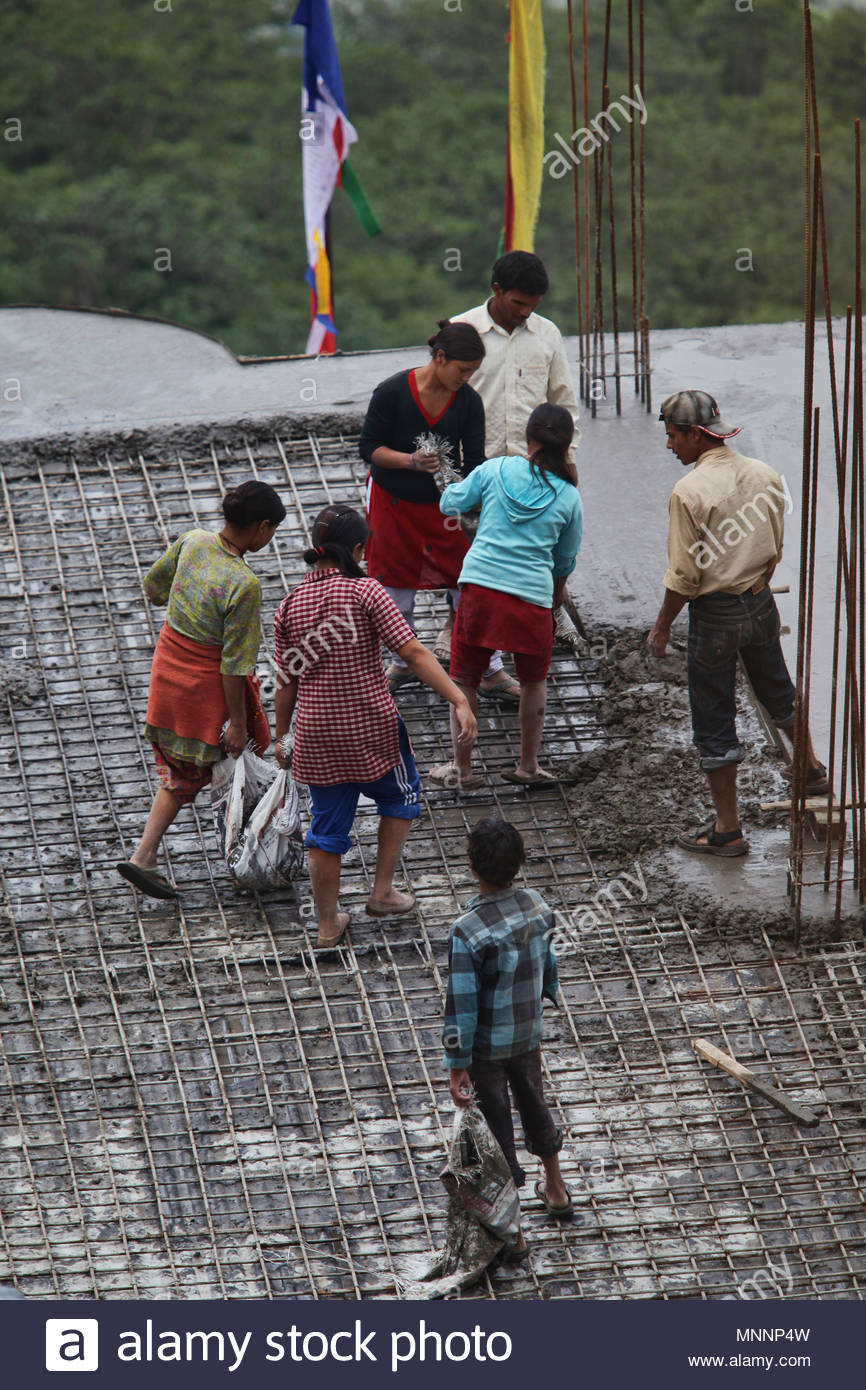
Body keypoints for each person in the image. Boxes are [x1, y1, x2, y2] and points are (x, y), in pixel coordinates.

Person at [272, 504, 477, 948]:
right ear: (360, 550)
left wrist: (280, 735)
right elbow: (415, 654)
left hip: (316, 734)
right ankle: (382, 891)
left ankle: (328, 924)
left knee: (325, 830)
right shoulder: (368, 593)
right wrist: (459, 698)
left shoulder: (288, 606)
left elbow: (285, 683)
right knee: (401, 794)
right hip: (372, 726)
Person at [647, 390, 828, 855]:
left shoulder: (689, 491)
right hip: (759, 600)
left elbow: (685, 576)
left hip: (716, 614)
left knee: (713, 716)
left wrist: (663, 626)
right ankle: (809, 770)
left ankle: (727, 828)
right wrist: (757, 584)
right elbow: (776, 545)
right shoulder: (764, 474)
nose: (670, 447)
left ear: (694, 435)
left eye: (672, 437)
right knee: (778, 689)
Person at [116, 479, 286, 899]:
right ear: (261, 527)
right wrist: (239, 723)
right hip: (202, 693)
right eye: (272, 531)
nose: (271, 538)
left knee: (181, 771)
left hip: (166, 675)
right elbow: (234, 666)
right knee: (237, 769)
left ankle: (145, 855)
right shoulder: (243, 584)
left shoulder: (192, 541)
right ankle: (245, 860)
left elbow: (154, 588)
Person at [358, 320, 519, 702]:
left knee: (468, 581)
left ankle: (488, 667)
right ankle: (403, 661)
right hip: (392, 501)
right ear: (440, 358)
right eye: (462, 370)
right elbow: (370, 448)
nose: (466, 378)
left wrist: (479, 507)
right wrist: (410, 461)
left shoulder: (468, 403)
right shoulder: (393, 392)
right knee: (395, 583)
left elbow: (476, 461)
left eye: (473, 372)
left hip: (446, 507)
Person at [431, 403, 583, 789]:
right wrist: (554, 599)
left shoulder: (496, 469)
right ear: (567, 445)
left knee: (463, 678)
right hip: (531, 599)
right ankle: (528, 766)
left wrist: (462, 491)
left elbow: (451, 503)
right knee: (534, 681)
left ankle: (462, 769)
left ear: (527, 438)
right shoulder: (568, 497)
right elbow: (563, 561)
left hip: (480, 590)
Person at [444, 816, 572, 1264]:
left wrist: (457, 1063)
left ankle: (514, 1233)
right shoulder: (538, 906)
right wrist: (547, 994)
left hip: (486, 1049)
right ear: (519, 863)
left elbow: (462, 1003)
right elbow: (547, 961)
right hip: (527, 1033)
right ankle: (555, 1189)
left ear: (471, 867)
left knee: (496, 1129)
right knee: (534, 1101)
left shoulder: (468, 931)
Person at [452, 250, 579, 467]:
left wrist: (566, 460)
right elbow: (440, 400)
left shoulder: (548, 334)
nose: (526, 312)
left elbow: (563, 403)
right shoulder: (460, 330)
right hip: (473, 467)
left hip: (534, 469)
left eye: (533, 305)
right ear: (497, 290)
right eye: (519, 304)